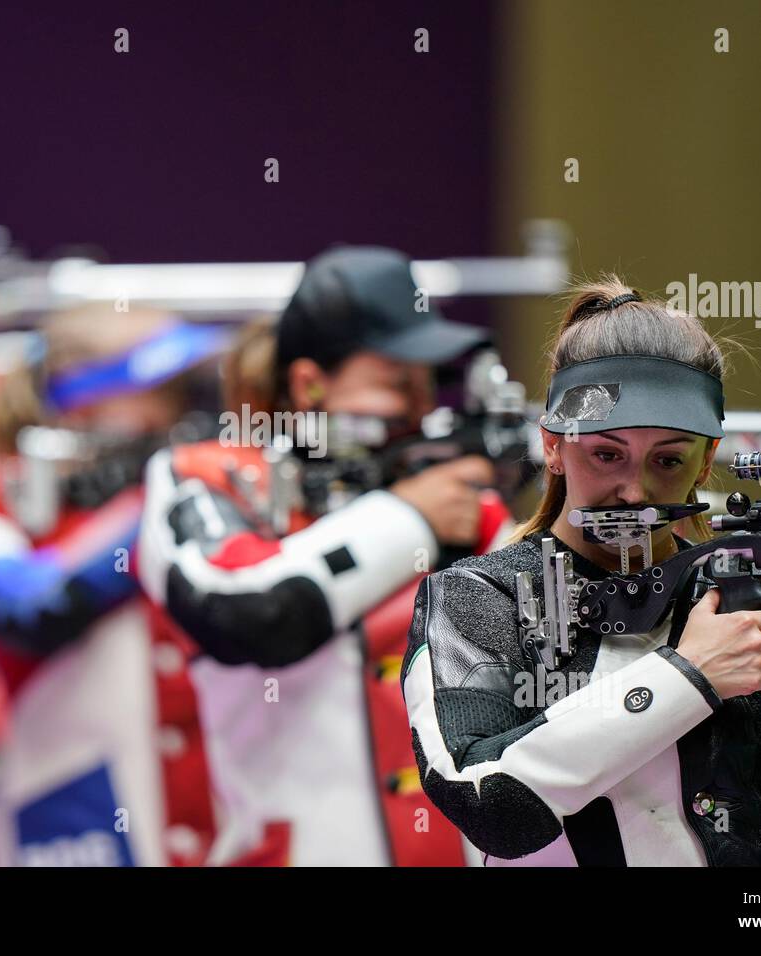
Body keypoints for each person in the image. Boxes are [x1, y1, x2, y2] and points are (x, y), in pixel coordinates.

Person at [404, 277, 761, 866]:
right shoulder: (479, 599)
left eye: (668, 460)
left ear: (705, 461)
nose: (635, 489)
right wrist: (688, 676)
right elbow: (491, 805)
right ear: (554, 446)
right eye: (606, 454)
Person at [136, 246, 515, 865]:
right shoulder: (207, 476)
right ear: (310, 383)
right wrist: (411, 516)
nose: (423, 414)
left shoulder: (462, 500)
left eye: (429, 388)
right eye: (398, 385)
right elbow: (247, 609)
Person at [0, 306, 228, 866]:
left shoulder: (199, 485)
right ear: (81, 399)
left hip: (215, 790)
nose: (187, 408)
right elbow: (29, 606)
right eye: (164, 389)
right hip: (72, 797)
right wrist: (163, 505)